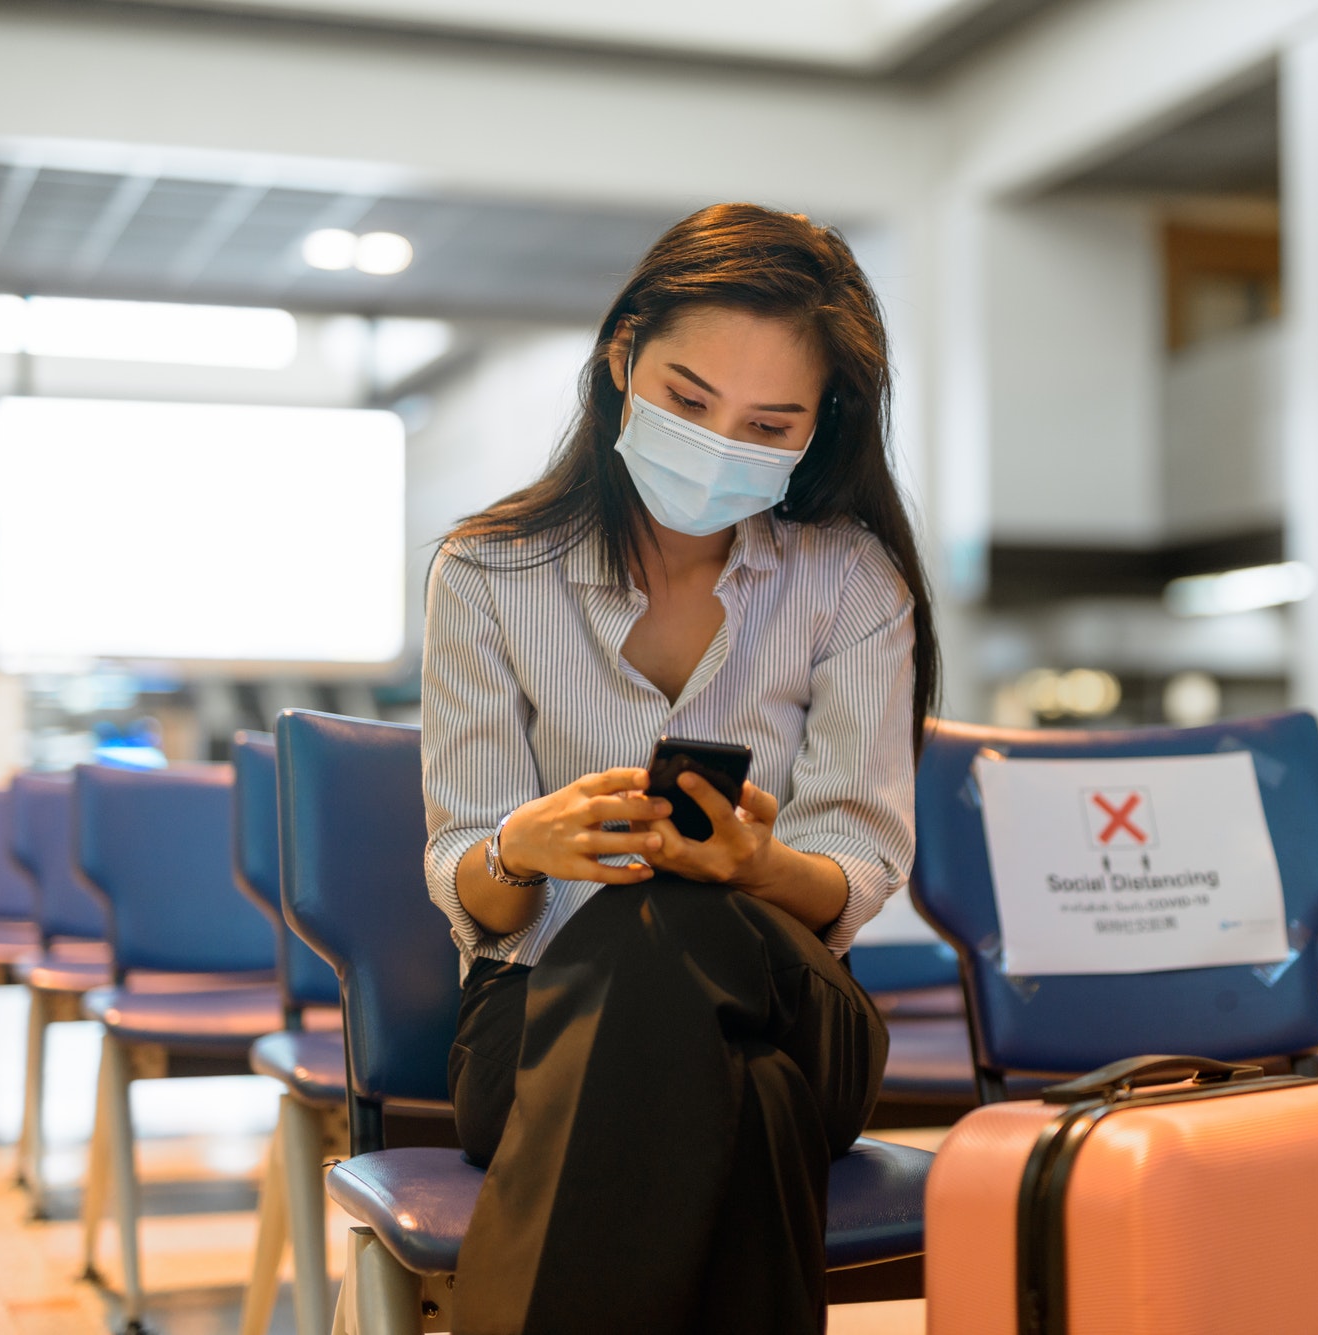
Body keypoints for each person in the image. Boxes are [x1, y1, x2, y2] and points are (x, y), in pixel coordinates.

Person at [421, 202, 939, 1335]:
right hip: (536, 1011)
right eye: (688, 402)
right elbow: (463, 863)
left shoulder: (849, 584)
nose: (718, 446)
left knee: (665, 921)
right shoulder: (488, 571)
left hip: (796, 994)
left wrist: (758, 867)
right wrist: (522, 847)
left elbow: (856, 862)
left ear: (820, 427)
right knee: (739, 1092)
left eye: (767, 425)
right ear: (621, 362)